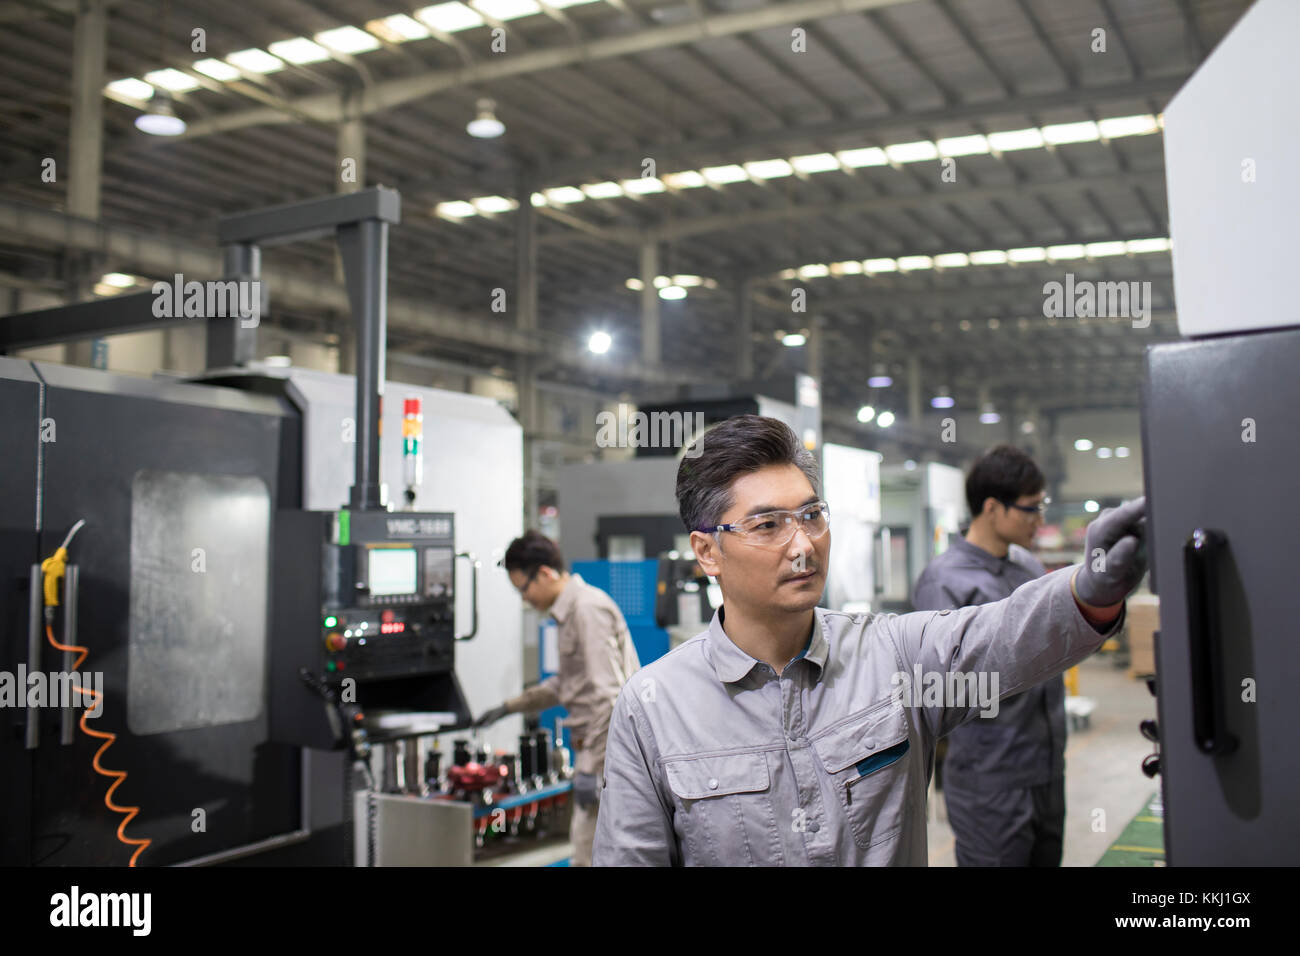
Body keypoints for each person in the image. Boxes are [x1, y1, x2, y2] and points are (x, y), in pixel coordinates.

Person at [592, 415, 1144, 866]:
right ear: (707, 551)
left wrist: (1090, 588)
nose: (802, 544)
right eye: (767, 526)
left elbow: (1000, 636)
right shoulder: (653, 708)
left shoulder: (894, 657)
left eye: (811, 515)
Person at [913, 445, 1063, 866]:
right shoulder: (945, 581)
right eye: (1030, 509)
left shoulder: (1028, 568)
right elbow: (937, 689)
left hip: (1046, 772)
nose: (1039, 520)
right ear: (993, 508)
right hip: (990, 781)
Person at [474, 531, 640, 866]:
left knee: (590, 854)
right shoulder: (570, 612)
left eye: (524, 588)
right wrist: (508, 708)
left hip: (608, 756)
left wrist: (592, 770)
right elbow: (566, 685)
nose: (525, 598)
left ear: (546, 573)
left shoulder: (586, 609)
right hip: (596, 752)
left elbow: (608, 696)